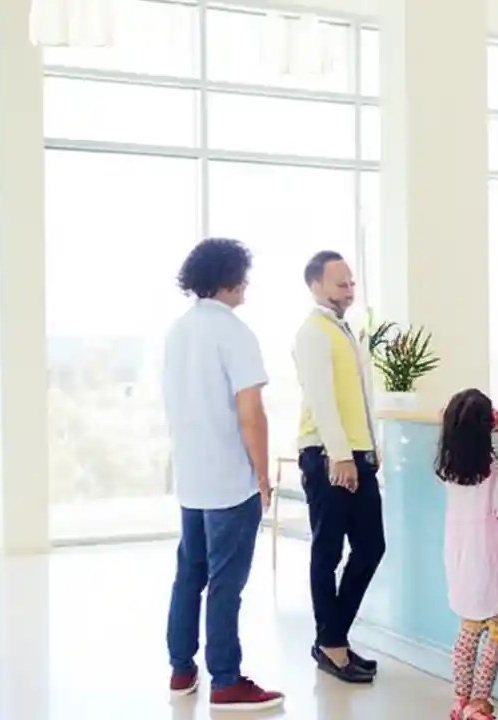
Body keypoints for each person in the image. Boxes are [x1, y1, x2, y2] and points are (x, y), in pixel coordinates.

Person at [163, 238, 284, 711]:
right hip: (230, 481)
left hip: (192, 478)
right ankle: (227, 680)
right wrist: (262, 474)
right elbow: (251, 412)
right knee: (226, 584)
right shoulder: (234, 332)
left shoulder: (179, 330)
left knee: (188, 576)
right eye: (244, 276)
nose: (247, 285)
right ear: (231, 278)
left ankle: (181, 669)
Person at [293, 250, 384, 684]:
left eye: (351, 283)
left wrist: (371, 446)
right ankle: (332, 644)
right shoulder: (313, 332)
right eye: (340, 283)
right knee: (328, 552)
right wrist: (341, 454)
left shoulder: (343, 330)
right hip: (329, 455)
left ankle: (333, 637)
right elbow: (323, 398)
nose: (349, 289)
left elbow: (360, 397)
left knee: (371, 547)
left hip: (356, 453)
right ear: (315, 285)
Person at [436, 389, 498, 720]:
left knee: (468, 629)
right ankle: (479, 703)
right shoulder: (494, 472)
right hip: (489, 560)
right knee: (497, 628)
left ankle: (460, 699)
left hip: (459, 558)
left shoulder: (450, 469)